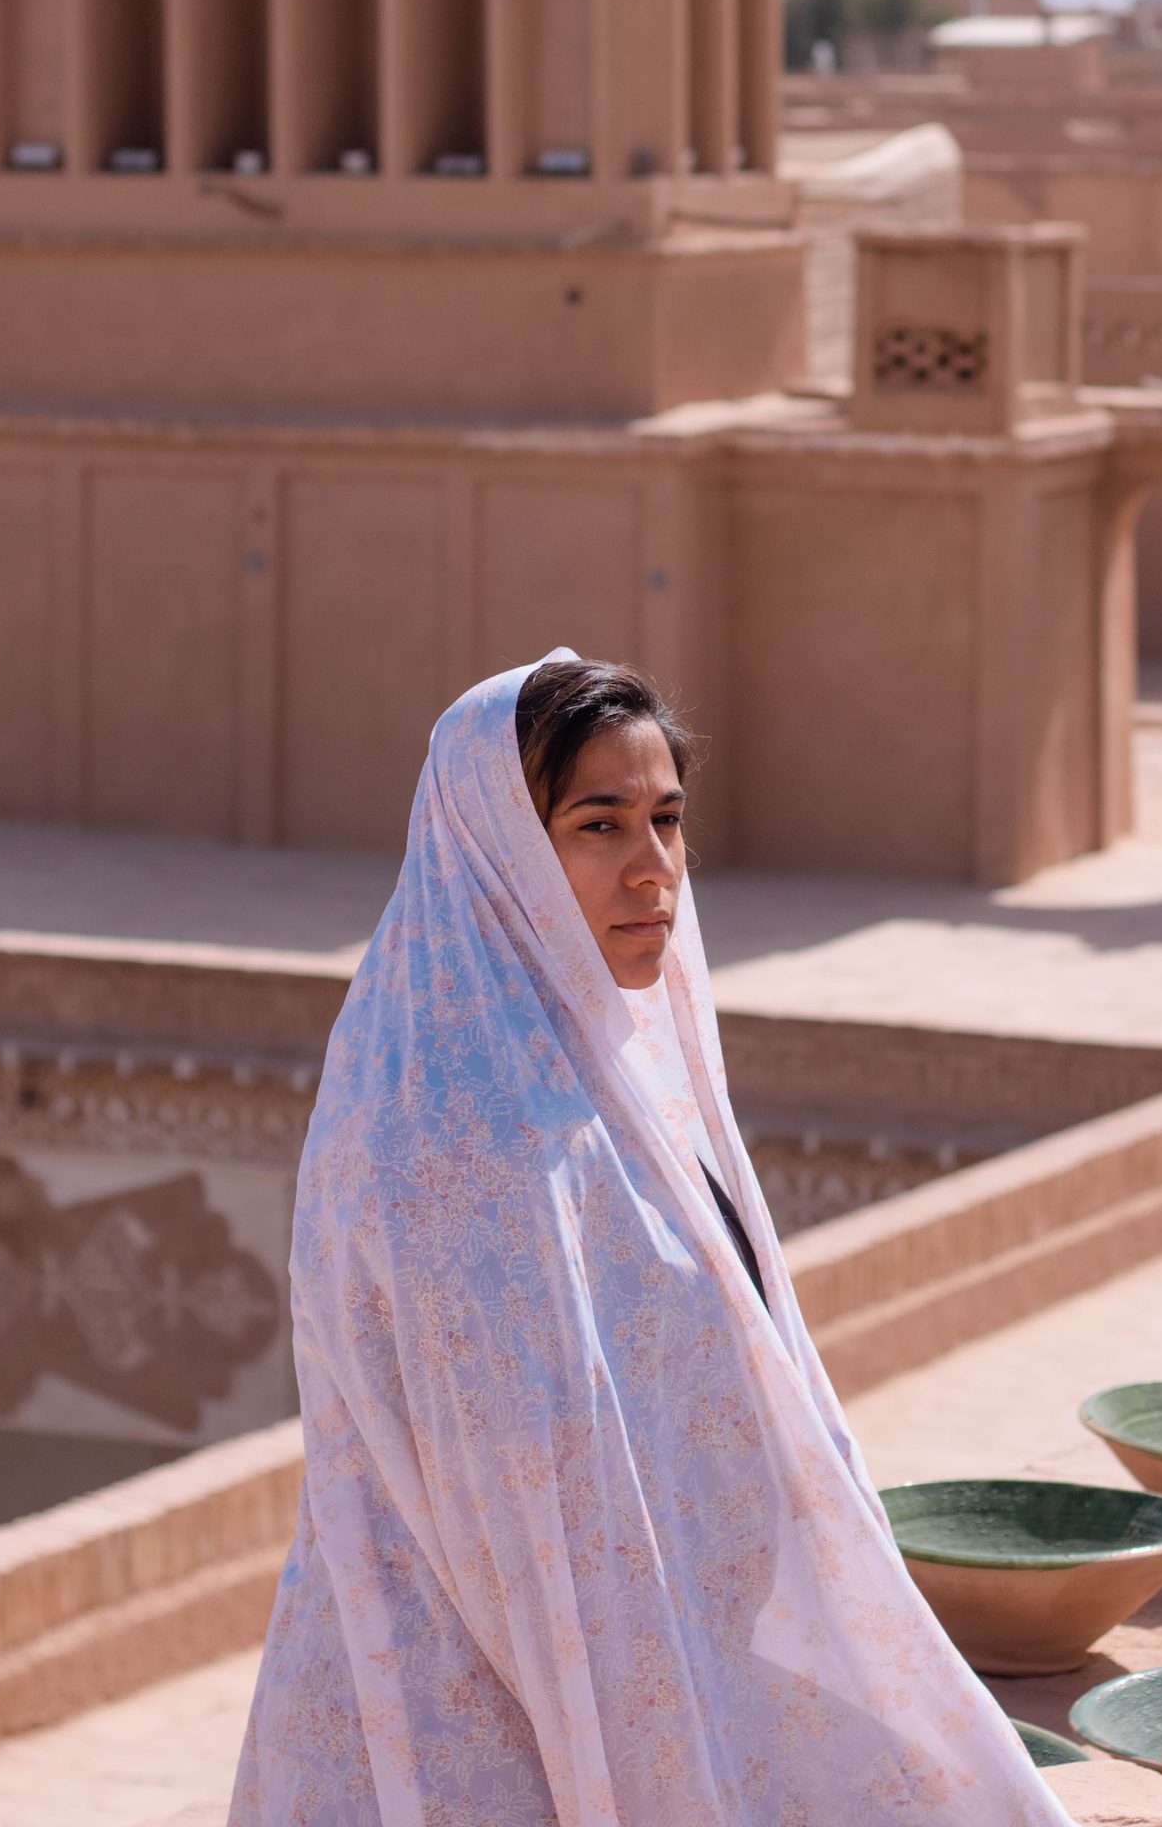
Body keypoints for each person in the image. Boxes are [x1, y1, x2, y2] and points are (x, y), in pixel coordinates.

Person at [231, 654, 1068, 1825]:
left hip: (661, 1680)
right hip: (476, 1731)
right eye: (597, 824)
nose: (652, 870)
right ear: (501, 850)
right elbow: (515, 1527)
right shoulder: (444, 1128)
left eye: (667, 819)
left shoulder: (620, 1075)